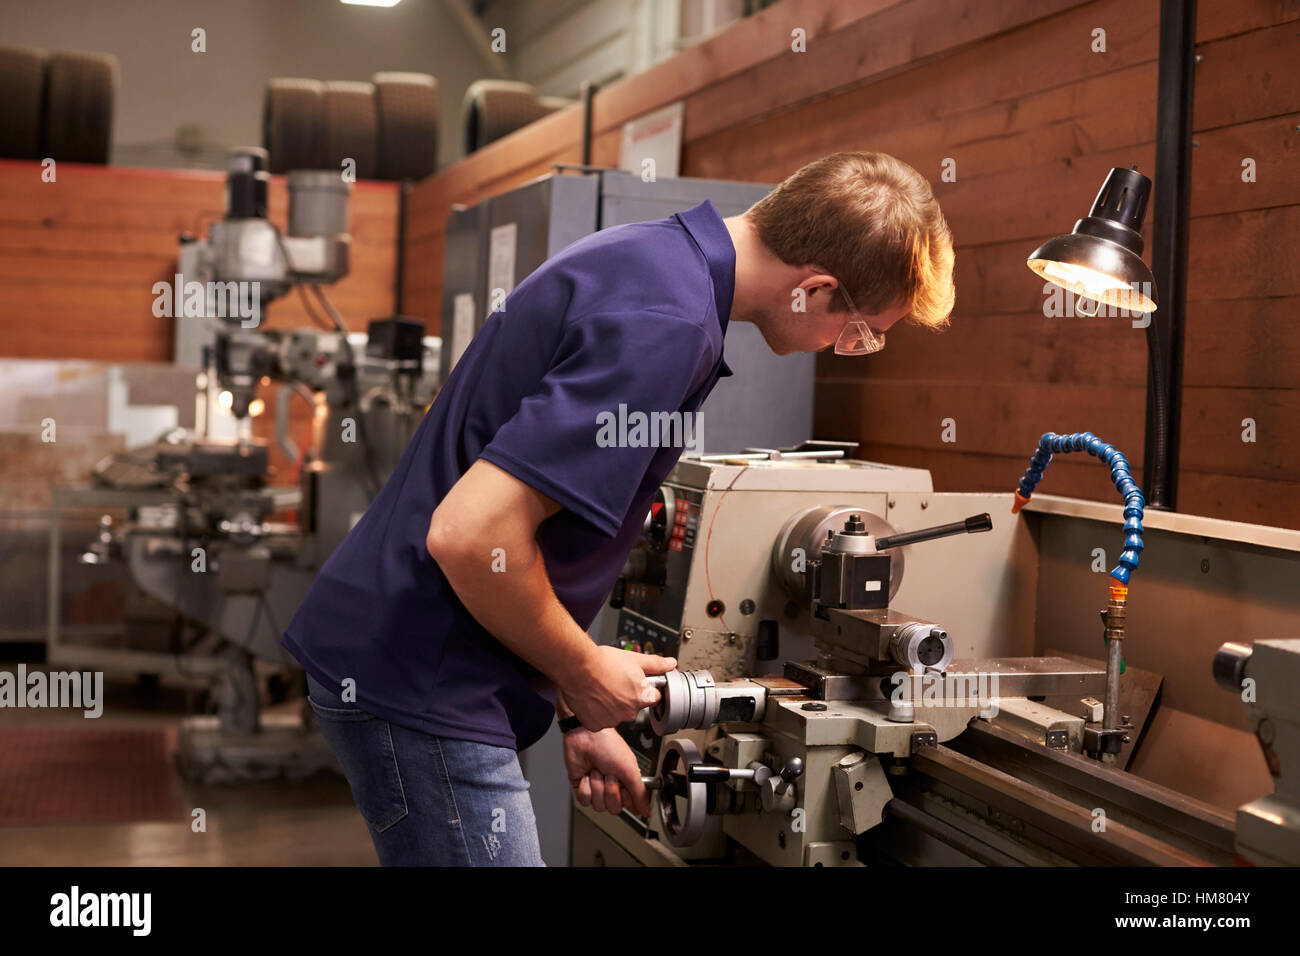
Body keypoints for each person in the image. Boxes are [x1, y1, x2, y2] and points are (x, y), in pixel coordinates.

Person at [282, 150, 955, 865]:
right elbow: (471, 537)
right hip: (427, 678)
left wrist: (575, 709)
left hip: (419, 661)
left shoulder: (657, 262)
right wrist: (580, 669)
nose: (851, 347)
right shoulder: (668, 325)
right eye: (862, 332)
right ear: (816, 288)